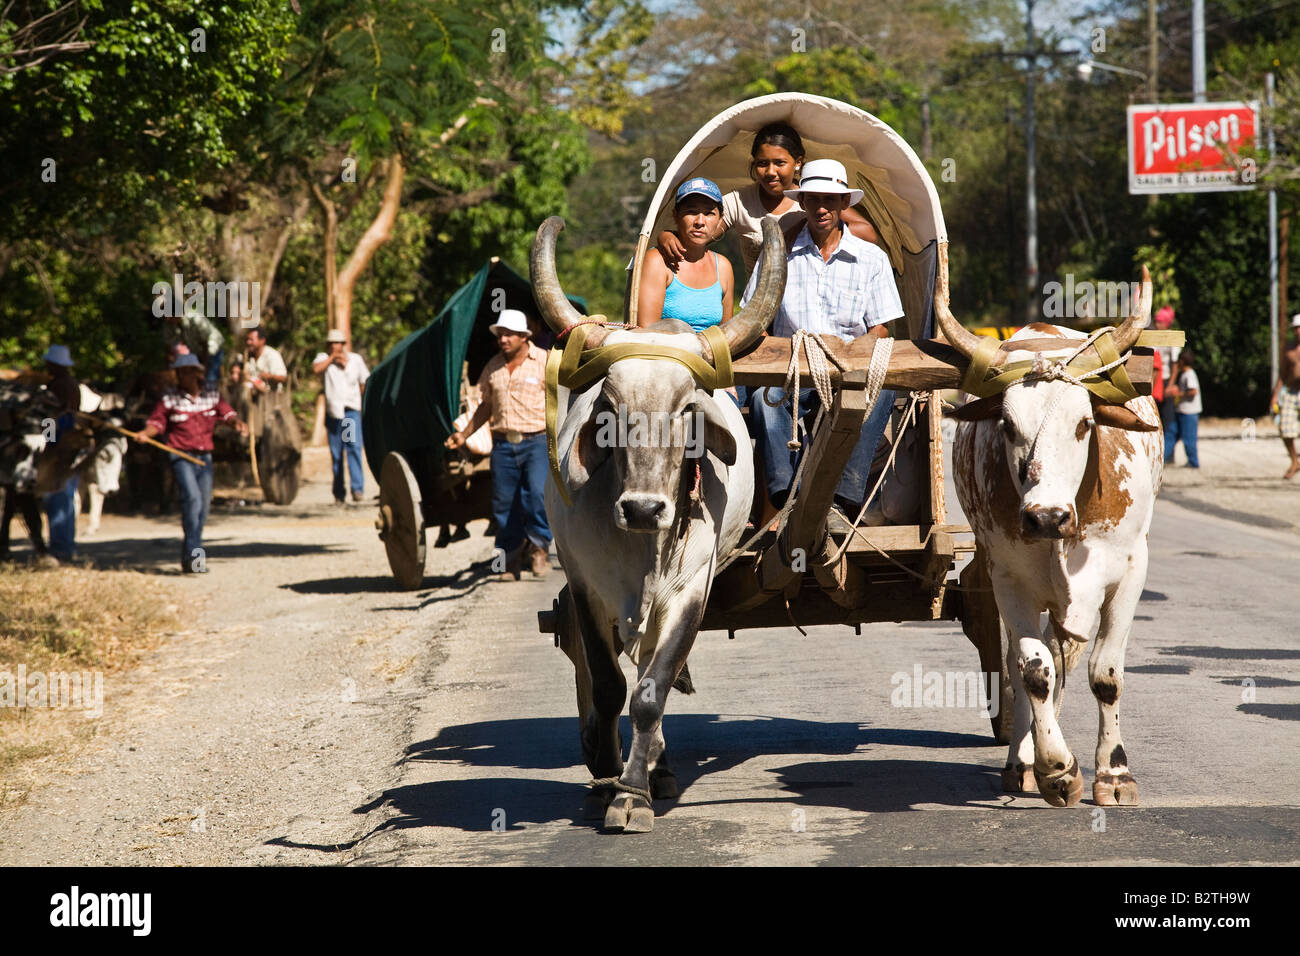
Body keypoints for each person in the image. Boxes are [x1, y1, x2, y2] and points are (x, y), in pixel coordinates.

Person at [744, 159, 904, 515]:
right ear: (801, 202)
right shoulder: (777, 257)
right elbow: (757, 322)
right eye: (813, 199)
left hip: (850, 370)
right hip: (789, 372)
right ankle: (787, 493)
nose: (821, 208)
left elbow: (880, 328)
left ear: (844, 204)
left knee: (883, 391)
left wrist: (855, 352)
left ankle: (846, 493)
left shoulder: (871, 259)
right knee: (762, 400)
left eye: (830, 200)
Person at [657, 123, 880, 274]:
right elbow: (701, 232)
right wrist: (667, 236)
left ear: (798, 162)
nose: (771, 172)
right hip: (758, 306)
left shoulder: (814, 200)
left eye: (779, 163)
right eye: (763, 163)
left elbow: (867, 232)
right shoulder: (739, 201)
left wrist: (806, 225)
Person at [445, 309, 551, 580]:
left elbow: (559, 400)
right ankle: (510, 559)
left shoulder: (545, 362)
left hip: (537, 441)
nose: (503, 340)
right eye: (500, 335)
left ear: (523, 337)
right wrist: (464, 435)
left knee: (536, 496)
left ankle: (539, 549)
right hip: (503, 445)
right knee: (504, 503)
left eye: (508, 335)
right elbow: (485, 406)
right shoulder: (493, 367)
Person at [134, 353, 247, 572]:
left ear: (196, 373)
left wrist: (236, 423)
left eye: (186, 372)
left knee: (202, 508)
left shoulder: (211, 394)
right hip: (180, 456)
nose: (181, 376)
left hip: (204, 457)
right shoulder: (169, 398)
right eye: (179, 372)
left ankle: (190, 556)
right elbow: (157, 422)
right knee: (192, 500)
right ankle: (195, 559)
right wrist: (146, 434)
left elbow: (227, 414)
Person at [638, 178, 735, 331]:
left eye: (709, 213)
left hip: (713, 353)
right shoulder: (657, 261)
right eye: (692, 212)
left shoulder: (723, 267)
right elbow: (647, 331)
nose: (700, 221)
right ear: (676, 215)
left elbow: (726, 334)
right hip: (665, 353)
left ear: (720, 219)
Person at [312, 330, 369, 504]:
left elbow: (364, 381)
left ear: (344, 344)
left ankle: (357, 489)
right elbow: (317, 369)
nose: (334, 346)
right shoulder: (323, 358)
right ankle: (339, 493)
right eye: (331, 343)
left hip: (350, 413)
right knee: (336, 454)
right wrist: (332, 359)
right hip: (334, 414)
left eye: (338, 343)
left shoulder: (355, 360)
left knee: (353, 448)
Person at [41, 344, 81, 562]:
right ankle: (65, 545)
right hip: (66, 443)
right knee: (63, 497)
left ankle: (61, 548)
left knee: (57, 495)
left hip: (60, 445)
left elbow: (53, 420)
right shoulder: (70, 384)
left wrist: (46, 441)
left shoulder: (58, 385)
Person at [163, 307, 226, 390]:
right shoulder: (171, 326)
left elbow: (204, 344)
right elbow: (170, 347)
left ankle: (212, 394)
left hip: (212, 349)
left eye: (168, 316)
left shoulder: (194, 318)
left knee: (210, 379)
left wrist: (204, 366)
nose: (166, 319)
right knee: (198, 381)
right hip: (197, 352)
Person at [1270, 314, 1300, 479]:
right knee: (1285, 430)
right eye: (1295, 328)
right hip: (1291, 391)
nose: (1297, 331)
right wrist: (1275, 396)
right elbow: (1282, 374)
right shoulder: (1289, 349)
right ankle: (1294, 461)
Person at [1164, 350, 1201, 469]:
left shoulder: (1189, 374)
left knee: (1189, 437)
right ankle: (1162, 458)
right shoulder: (1185, 374)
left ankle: (1193, 462)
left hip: (1189, 412)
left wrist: (1178, 394)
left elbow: (1193, 391)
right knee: (1171, 434)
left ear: (1182, 361)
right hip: (1181, 410)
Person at [244, 327, 288, 394]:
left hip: (271, 398)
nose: (248, 342)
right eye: (247, 339)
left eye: (251, 340)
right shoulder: (247, 356)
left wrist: (269, 376)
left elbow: (283, 378)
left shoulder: (272, 355)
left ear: (262, 341)